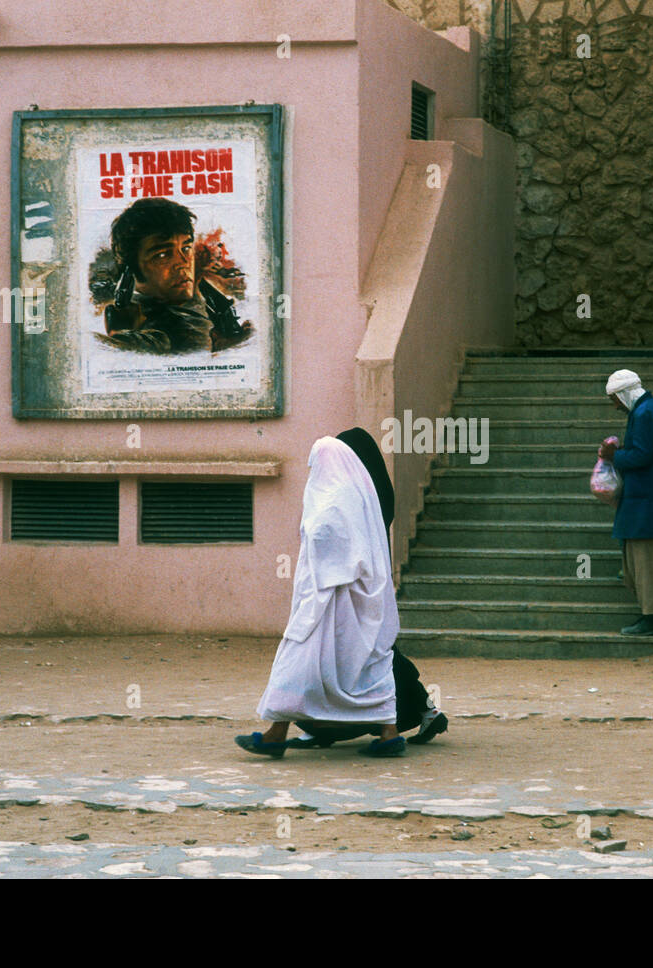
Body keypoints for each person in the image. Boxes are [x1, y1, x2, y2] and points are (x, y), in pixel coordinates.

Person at [236, 435, 406, 759]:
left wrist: (314, 535)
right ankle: (389, 733)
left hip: (330, 600)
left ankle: (275, 734)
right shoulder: (358, 493)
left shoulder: (335, 497)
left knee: (295, 661)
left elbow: (332, 544)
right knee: (371, 665)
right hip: (359, 599)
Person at [291, 428, 447, 748]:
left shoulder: (362, 495)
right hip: (346, 587)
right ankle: (322, 727)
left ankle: (417, 710)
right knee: (348, 655)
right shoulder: (353, 491)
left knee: (370, 655)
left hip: (356, 587)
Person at [99, 197, 253, 354]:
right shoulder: (162, 333)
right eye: (162, 255)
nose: (184, 262)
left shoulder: (191, 292)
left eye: (186, 248)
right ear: (131, 266)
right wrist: (121, 336)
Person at [598, 369, 653, 635]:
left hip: (650, 502)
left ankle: (652, 618)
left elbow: (642, 456)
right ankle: (652, 616)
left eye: (615, 399)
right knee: (647, 561)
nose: (615, 406)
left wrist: (615, 456)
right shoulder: (648, 411)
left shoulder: (645, 414)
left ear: (624, 394)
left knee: (647, 562)